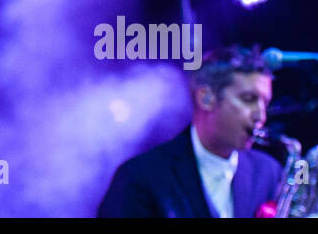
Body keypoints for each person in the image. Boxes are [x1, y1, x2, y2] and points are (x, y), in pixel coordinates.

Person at [97, 46, 283, 217]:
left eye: (265, 103)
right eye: (248, 99)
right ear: (206, 98)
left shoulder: (268, 171)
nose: (261, 116)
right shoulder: (140, 176)